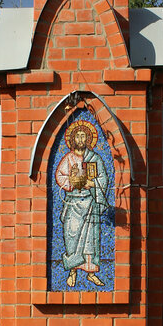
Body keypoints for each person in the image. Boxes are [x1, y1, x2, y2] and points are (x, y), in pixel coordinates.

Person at [55, 119, 109, 287]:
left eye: (83, 136)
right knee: (72, 237)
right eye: (77, 136)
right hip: (73, 204)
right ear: (72, 139)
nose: (80, 139)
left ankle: (91, 273)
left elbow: (103, 178)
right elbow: (59, 176)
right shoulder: (68, 158)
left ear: (88, 139)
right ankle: (72, 272)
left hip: (90, 204)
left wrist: (91, 184)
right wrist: (72, 182)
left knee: (90, 241)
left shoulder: (95, 158)